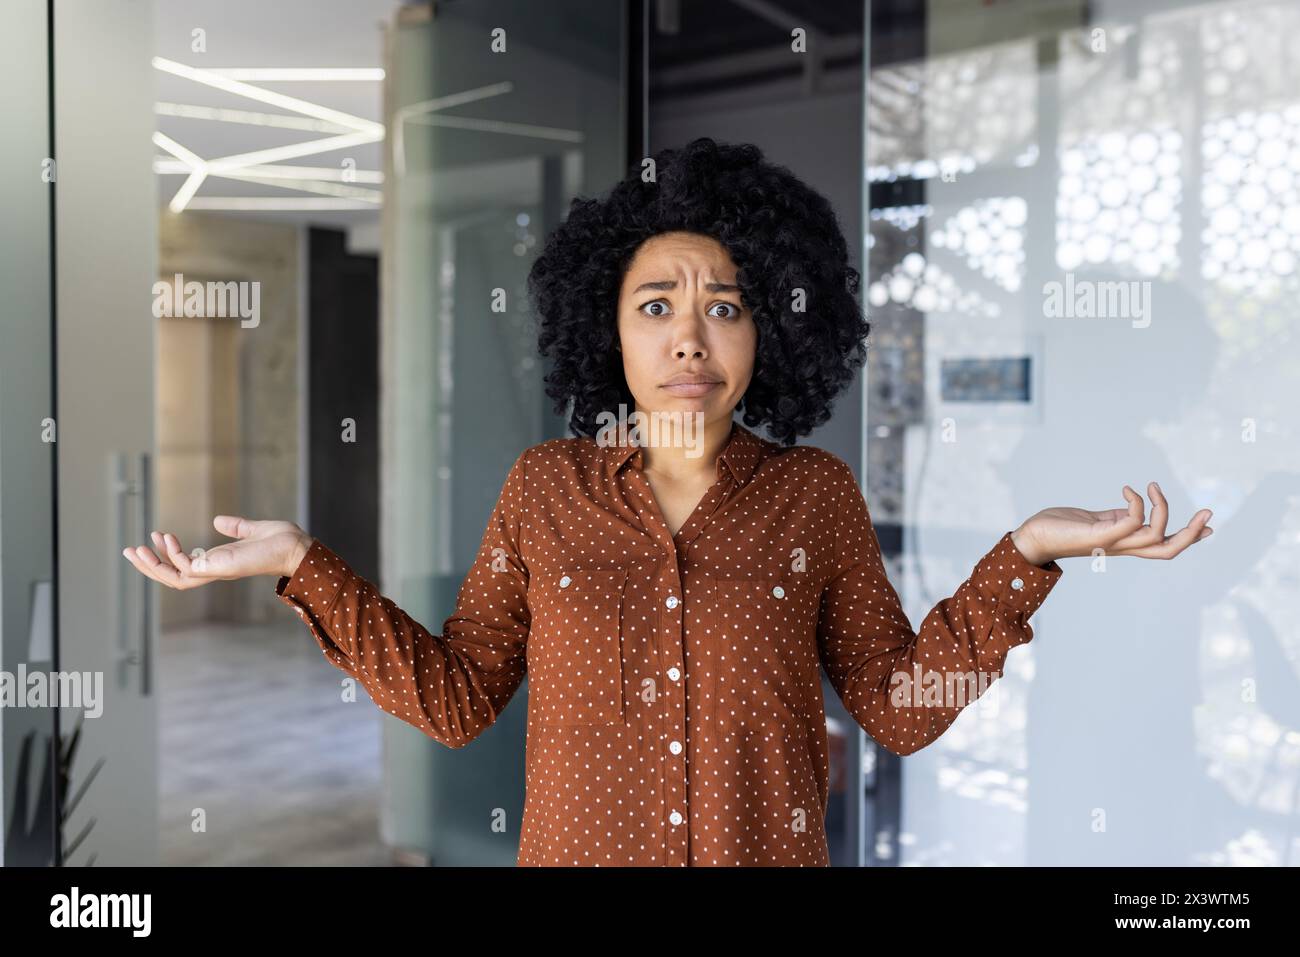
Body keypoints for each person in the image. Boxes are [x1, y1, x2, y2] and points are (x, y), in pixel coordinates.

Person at [123, 137, 1213, 866]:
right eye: (656, 304)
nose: (688, 334)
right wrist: (299, 562)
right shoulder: (544, 491)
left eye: (723, 306)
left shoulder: (813, 499)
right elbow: (457, 701)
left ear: (766, 333)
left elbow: (896, 707)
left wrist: (1024, 552)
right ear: (611, 330)